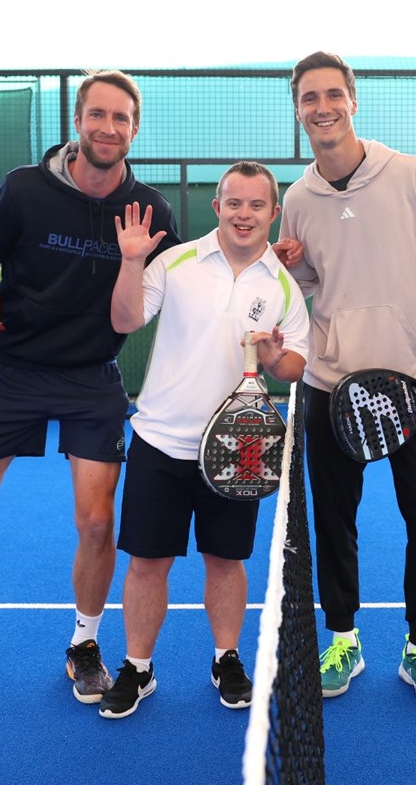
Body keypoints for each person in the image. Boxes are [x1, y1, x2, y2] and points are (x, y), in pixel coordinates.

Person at [0, 70, 181, 712]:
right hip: (10, 373)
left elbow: (189, 279)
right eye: (98, 115)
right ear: (78, 122)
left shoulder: (152, 211)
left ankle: (85, 645)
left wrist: (270, 263)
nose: (109, 127)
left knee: (95, 520)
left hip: (92, 379)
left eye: (122, 118)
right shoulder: (23, 190)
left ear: (135, 130)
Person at [273, 52, 416, 708]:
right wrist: (291, 270)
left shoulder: (411, 174)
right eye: (310, 97)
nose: (323, 106)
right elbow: (311, 288)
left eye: (334, 94)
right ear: (298, 108)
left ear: (353, 101)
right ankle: (343, 637)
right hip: (332, 387)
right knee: (333, 522)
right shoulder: (298, 198)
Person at [99, 161, 309, 719]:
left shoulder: (283, 285)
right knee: (147, 563)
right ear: (217, 208)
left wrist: (272, 359)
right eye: (234, 203)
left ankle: (226, 658)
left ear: (273, 212)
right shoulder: (175, 261)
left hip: (238, 448)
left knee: (225, 560)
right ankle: (138, 668)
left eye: (256, 205)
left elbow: (294, 365)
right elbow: (123, 320)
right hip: (159, 439)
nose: (245, 214)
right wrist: (130, 259)